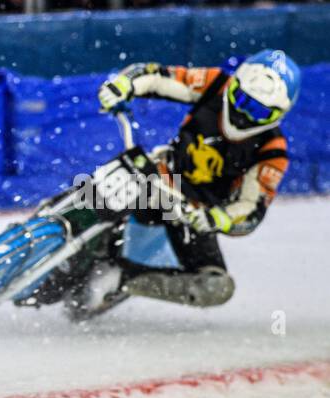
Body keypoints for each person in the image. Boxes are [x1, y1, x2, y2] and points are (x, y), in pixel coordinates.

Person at [85, 49, 299, 311]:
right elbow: (159, 77)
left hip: (194, 215)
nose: (244, 114)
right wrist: (125, 84)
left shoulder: (272, 150)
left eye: (258, 112)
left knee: (216, 287)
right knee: (102, 186)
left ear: (278, 115)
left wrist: (219, 218)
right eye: (241, 99)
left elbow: (252, 208)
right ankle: (67, 218)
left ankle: (125, 280)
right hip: (161, 177)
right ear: (233, 86)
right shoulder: (216, 83)